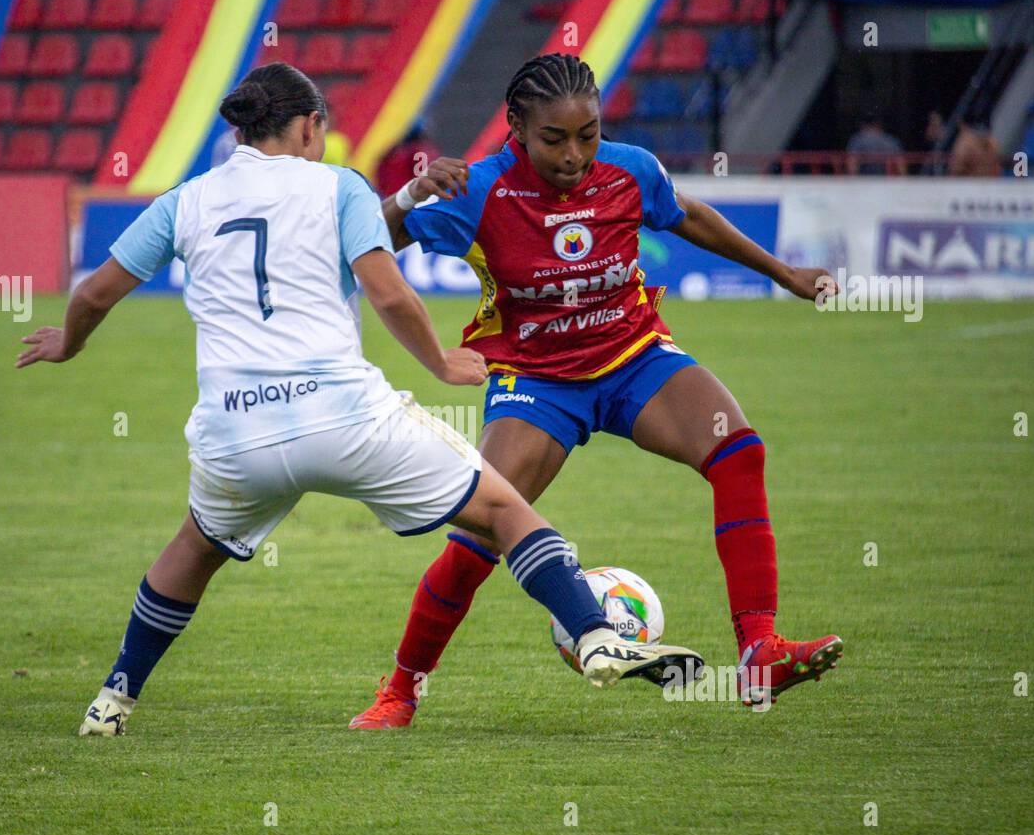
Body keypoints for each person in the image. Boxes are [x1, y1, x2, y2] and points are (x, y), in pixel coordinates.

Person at [14, 63, 701, 737]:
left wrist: (69, 344)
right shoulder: (335, 184)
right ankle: (594, 635)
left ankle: (115, 698)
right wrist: (438, 359)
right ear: (311, 126)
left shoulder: (185, 200)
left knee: (193, 548)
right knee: (502, 509)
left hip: (236, 430)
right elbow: (387, 289)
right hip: (343, 417)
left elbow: (94, 293)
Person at [351, 53, 844, 728]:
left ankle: (759, 649)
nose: (576, 154)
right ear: (517, 129)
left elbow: (688, 214)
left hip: (634, 356)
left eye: (588, 134)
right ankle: (401, 692)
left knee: (740, 452)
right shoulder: (479, 190)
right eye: (555, 138)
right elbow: (370, 237)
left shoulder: (630, 168)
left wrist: (783, 273)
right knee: (480, 537)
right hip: (537, 380)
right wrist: (409, 196)